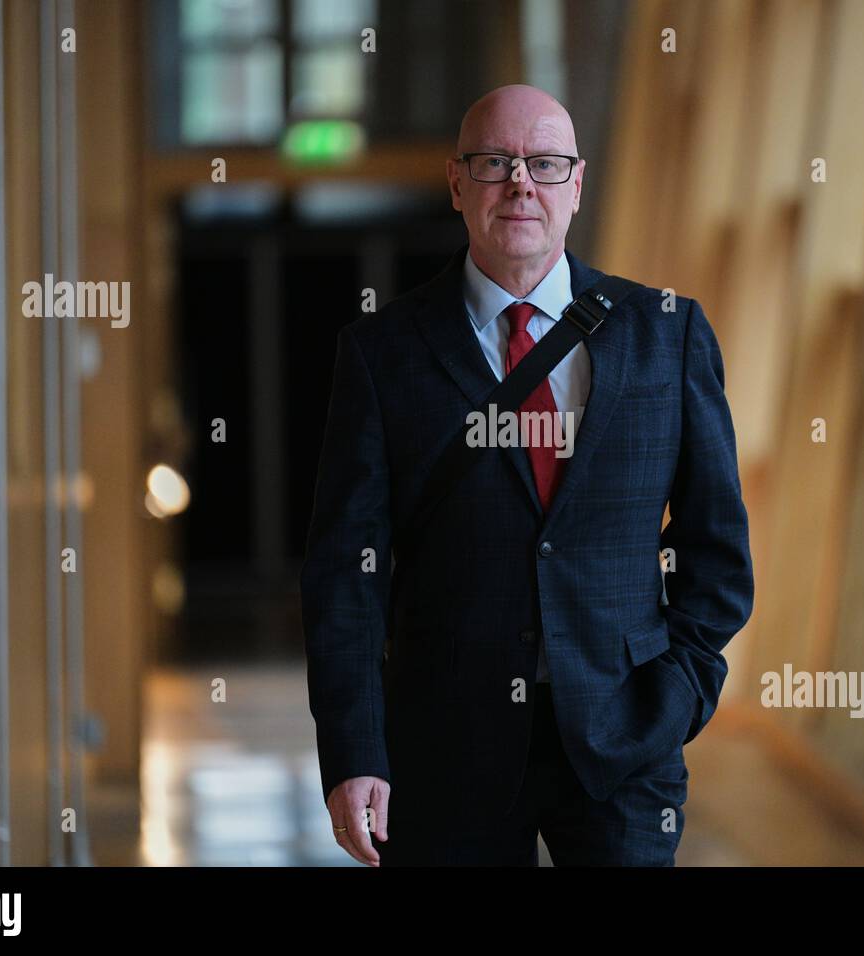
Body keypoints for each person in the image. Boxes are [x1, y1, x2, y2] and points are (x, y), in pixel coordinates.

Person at [300, 84, 753, 866]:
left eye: (544, 164)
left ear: (576, 186)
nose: (520, 183)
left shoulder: (667, 336)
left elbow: (718, 549)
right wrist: (354, 751)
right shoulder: (382, 353)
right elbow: (346, 574)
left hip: (624, 742)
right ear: (455, 183)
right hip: (443, 749)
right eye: (494, 162)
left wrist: (677, 693)